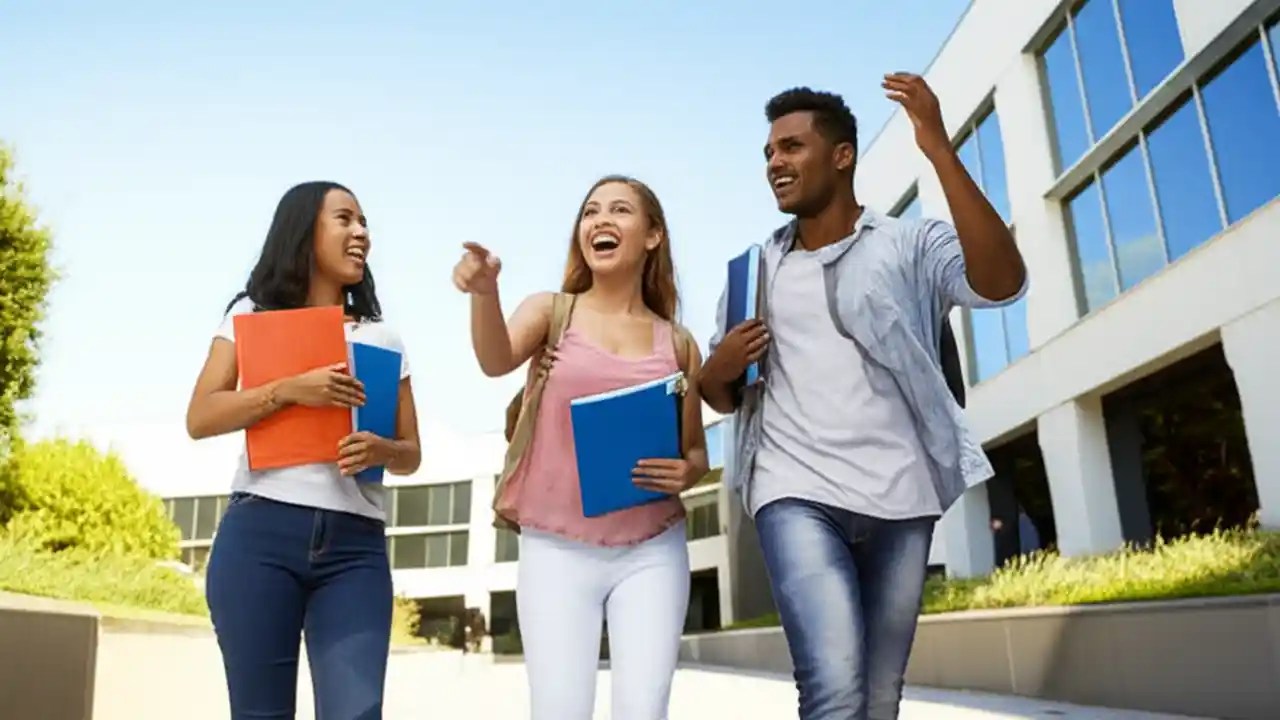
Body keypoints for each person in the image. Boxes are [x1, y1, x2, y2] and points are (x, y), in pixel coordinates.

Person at [701, 77, 1027, 720]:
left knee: (878, 699)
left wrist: (938, 149)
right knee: (833, 685)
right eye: (769, 153)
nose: (775, 164)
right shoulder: (754, 270)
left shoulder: (910, 243)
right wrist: (721, 363)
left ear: (842, 155)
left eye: (791, 147)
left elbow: (1002, 284)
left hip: (900, 496)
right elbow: (722, 396)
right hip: (791, 489)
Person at [452, 175, 708, 720]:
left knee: (644, 711)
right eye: (590, 212)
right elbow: (496, 359)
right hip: (556, 550)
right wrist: (484, 293)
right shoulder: (552, 312)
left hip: (652, 550)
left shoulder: (678, 343)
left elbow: (695, 454)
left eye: (619, 210)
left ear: (653, 235)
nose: (600, 221)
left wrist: (684, 474)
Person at [186, 181, 421, 720]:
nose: (361, 231)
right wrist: (287, 390)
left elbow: (412, 453)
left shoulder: (383, 337)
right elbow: (200, 416)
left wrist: (382, 448)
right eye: (344, 219)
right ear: (303, 231)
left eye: (364, 221)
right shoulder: (252, 315)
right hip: (260, 537)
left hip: (354, 549)